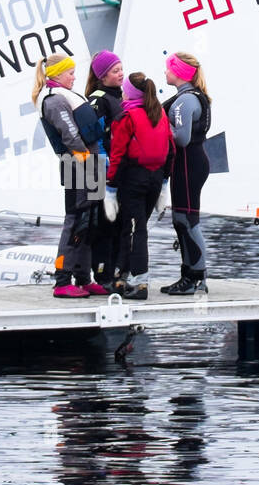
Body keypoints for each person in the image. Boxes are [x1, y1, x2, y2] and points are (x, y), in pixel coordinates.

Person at [33, 56, 109, 298]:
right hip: (77, 165)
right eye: (70, 73)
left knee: (90, 223)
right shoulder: (54, 101)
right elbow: (70, 137)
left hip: (90, 164)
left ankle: (83, 278)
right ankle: (62, 280)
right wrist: (89, 164)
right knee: (75, 222)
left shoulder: (64, 95)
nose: (75, 77)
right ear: (56, 75)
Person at [105, 73, 173, 300]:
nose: (122, 93)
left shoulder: (126, 117)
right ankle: (121, 276)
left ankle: (140, 282)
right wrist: (164, 183)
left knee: (136, 230)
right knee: (131, 228)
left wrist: (110, 189)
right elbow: (170, 149)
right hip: (154, 179)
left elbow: (117, 154)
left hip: (133, 179)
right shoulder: (159, 113)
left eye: (125, 90)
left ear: (131, 93)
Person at [161, 51, 212, 295]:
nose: (165, 73)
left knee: (187, 222)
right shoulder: (189, 97)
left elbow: (181, 138)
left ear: (179, 73)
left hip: (188, 164)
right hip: (189, 163)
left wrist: (161, 125)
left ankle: (194, 276)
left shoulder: (185, 101)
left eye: (169, 69)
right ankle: (190, 273)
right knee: (181, 221)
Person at [84, 50, 125, 286]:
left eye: (121, 69)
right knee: (104, 224)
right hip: (103, 171)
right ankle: (101, 274)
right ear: (102, 76)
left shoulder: (119, 96)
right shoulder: (98, 99)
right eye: (115, 70)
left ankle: (114, 273)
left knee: (118, 223)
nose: (121, 74)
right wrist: (105, 163)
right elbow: (95, 137)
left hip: (119, 170)